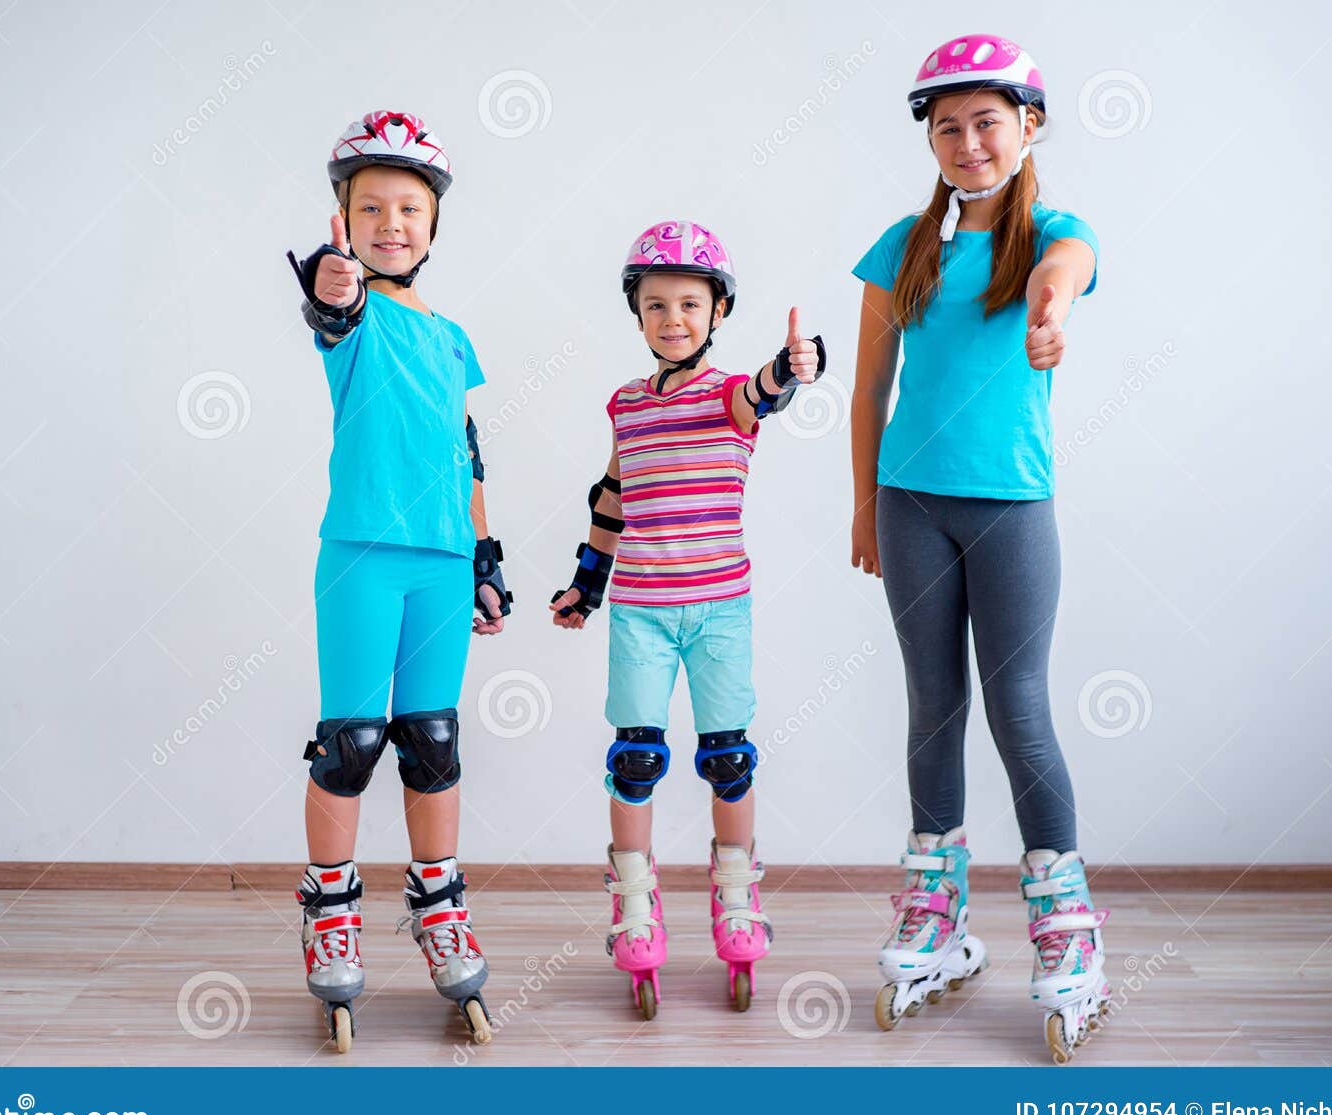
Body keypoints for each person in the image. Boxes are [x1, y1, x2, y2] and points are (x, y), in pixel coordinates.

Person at [849, 37, 1110, 1062]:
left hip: (1010, 509)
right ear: (929, 137)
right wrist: (865, 507)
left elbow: (1067, 267)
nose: (966, 141)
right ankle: (936, 913)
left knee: (1020, 708)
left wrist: (1050, 304)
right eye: (947, 125)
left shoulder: (1056, 231)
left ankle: (1063, 920)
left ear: (1028, 125)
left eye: (987, 121)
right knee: (931, 704)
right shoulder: (902, 249)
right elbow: (869, 389)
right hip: (910, 504)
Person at [549, 220, 823, 1018]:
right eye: (657, 304)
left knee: (728, 757)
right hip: (640, 609)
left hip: (718, 610)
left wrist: (794, 368)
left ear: (717, 312)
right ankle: (634, 902)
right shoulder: (626, 405)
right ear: (636, 315)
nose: (674, 318)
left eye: (690, 305)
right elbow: (614, 496)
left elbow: (763, 391)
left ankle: (735, 895)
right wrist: (586, 583)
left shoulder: (727, 395)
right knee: (634, 759)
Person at [286, 110, 510, 1051]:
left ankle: (438, 902)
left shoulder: (453, 336)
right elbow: (329, 308)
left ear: (434, 224)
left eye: (408, 208)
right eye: (368, 206)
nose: (389, 223)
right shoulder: (354, 312)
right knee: (351, 740)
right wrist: (331, 291)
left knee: (431, 739)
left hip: (444, 565)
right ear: (342, 217)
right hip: (364, 556)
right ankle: (330, 912)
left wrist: (487, 557)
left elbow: (465, 452)